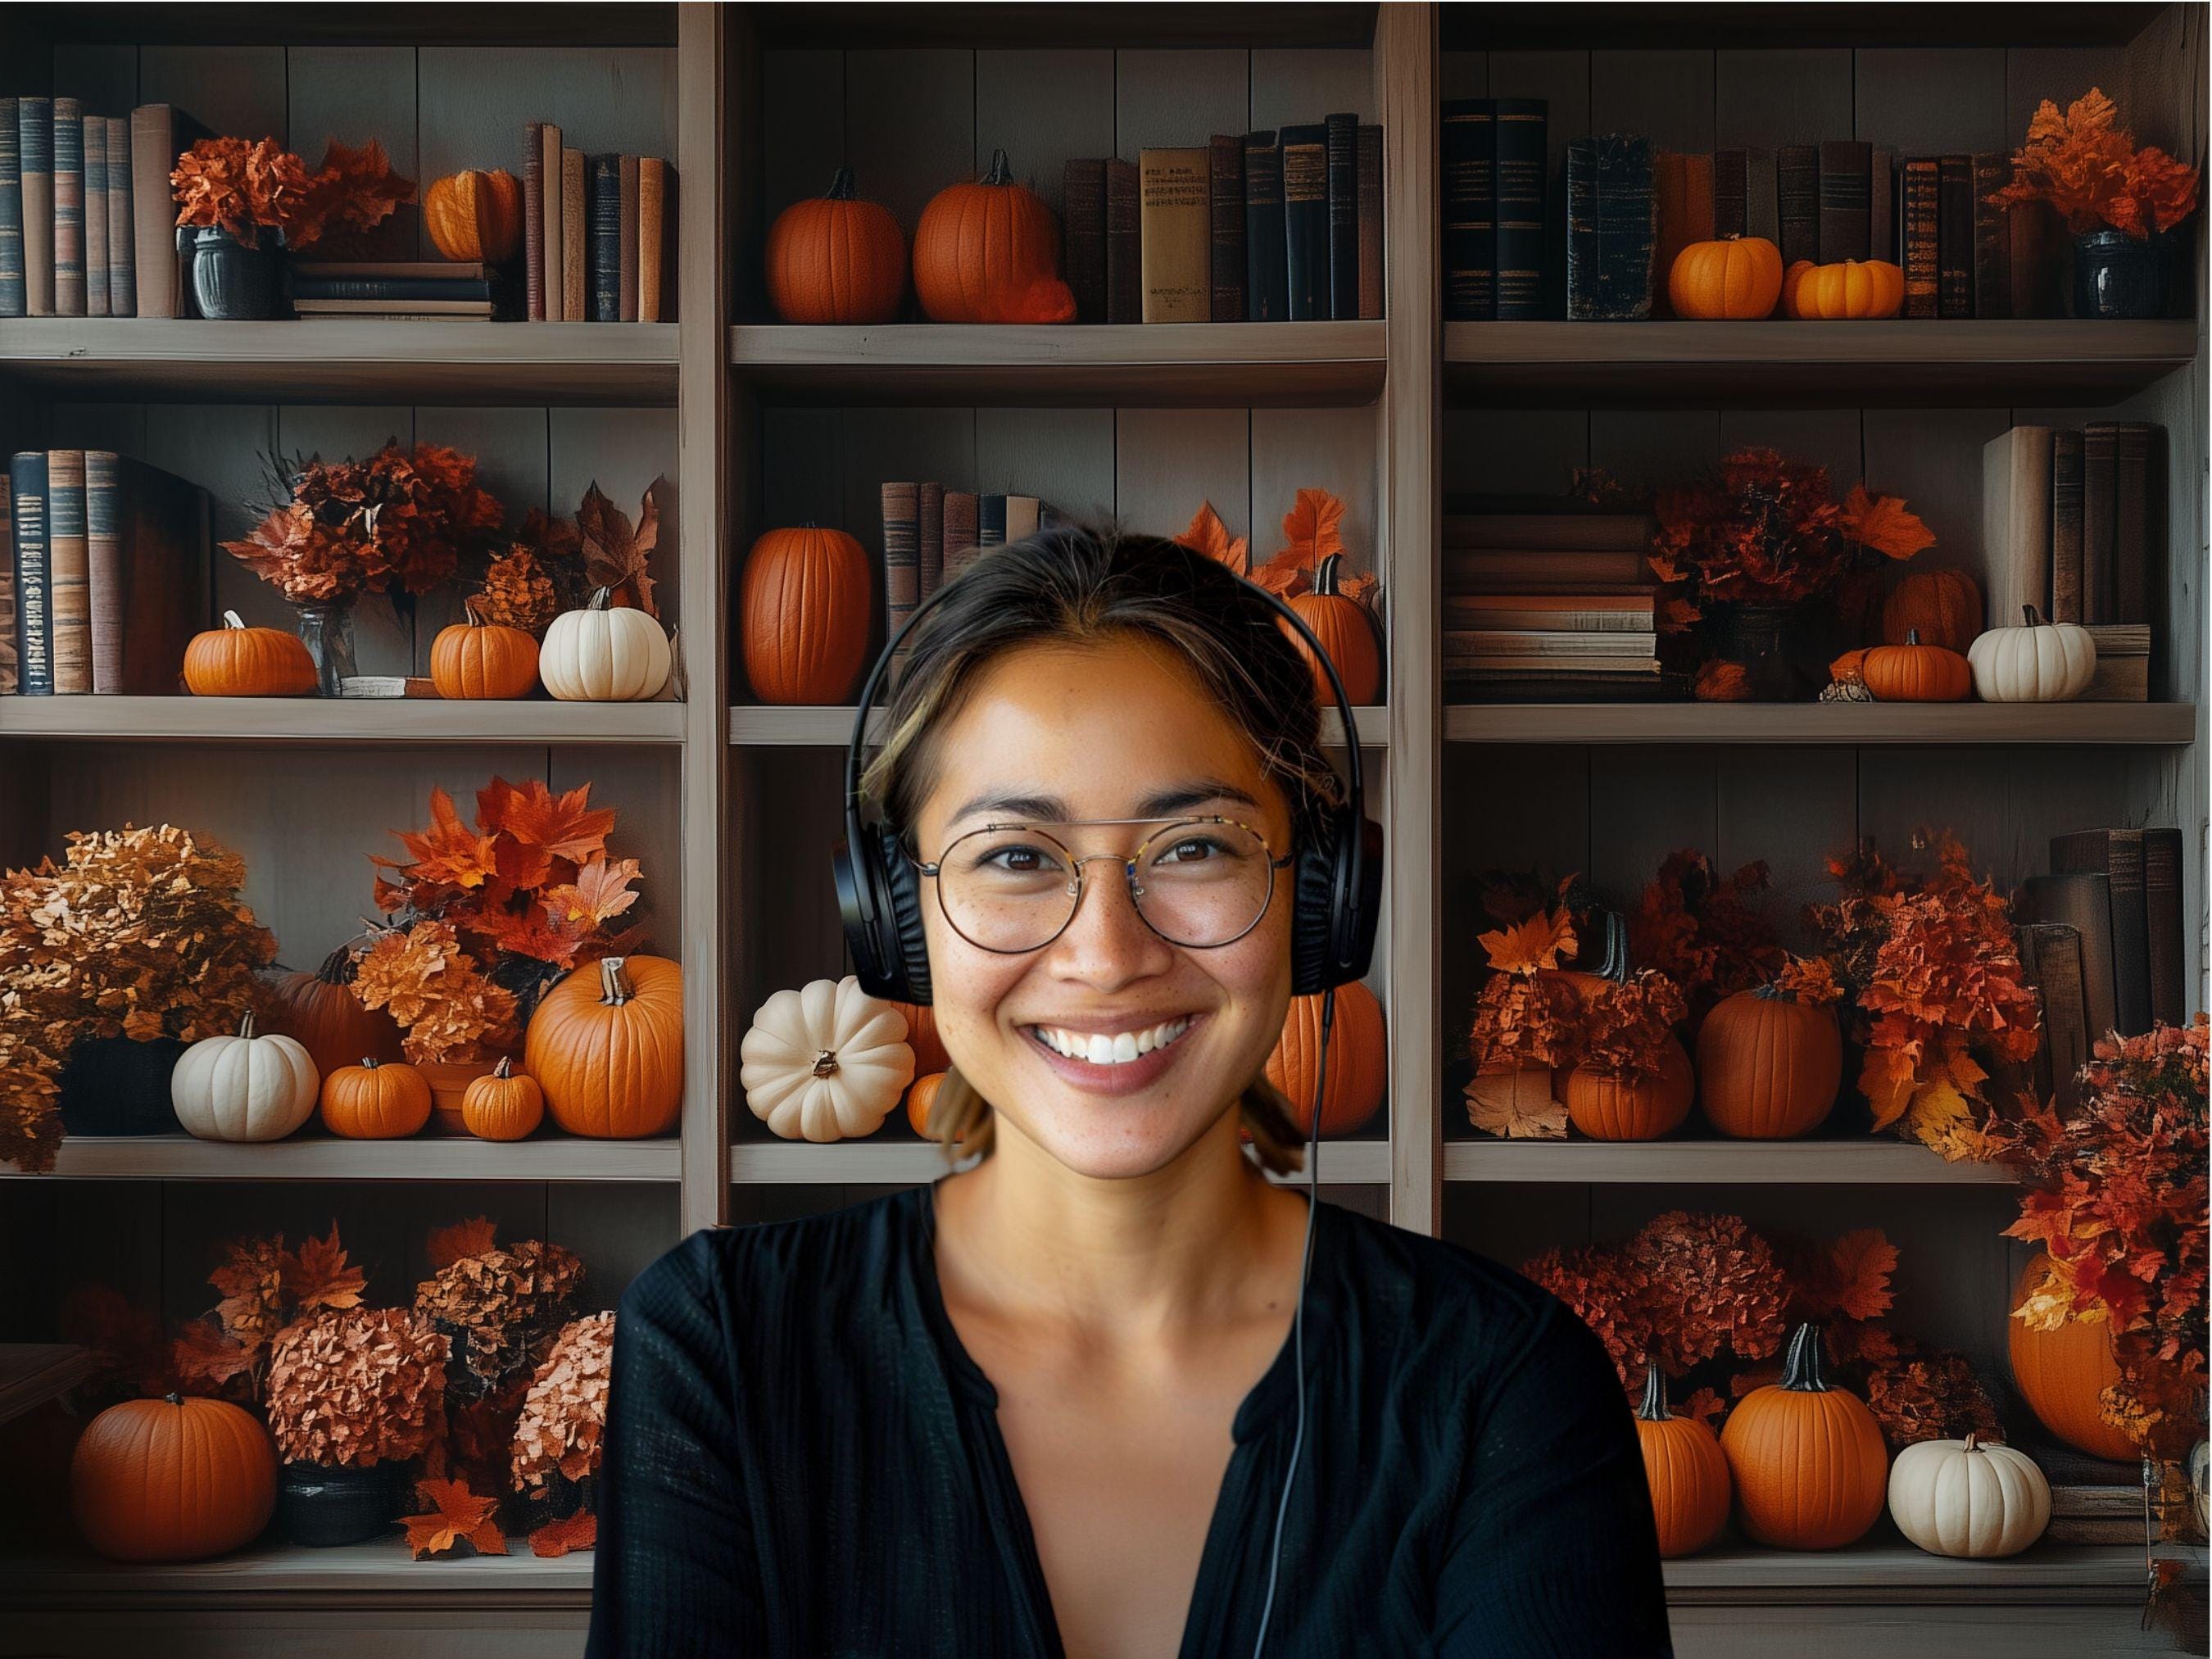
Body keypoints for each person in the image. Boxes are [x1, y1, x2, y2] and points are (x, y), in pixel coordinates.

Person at [587, 526, 1671, 1657]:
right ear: (895, 921)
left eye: (1196, 845)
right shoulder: (724, 1347)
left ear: (1319, 902)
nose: (1107, 955)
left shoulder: (1504, 1390)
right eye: (1014, 854)